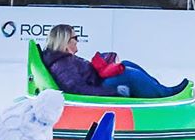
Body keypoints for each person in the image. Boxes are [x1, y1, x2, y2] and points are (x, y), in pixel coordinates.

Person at [41, 24, 186, 99]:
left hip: (98, 80)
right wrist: (112, 92)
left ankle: (160, 89)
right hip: (101, 86)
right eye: (75, 38)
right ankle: (164, 95)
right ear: (64, 41)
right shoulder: (62, 65)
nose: (78, 41)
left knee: (127, 64)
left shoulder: (65, 60)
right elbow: (77, 89)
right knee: (129, 75)